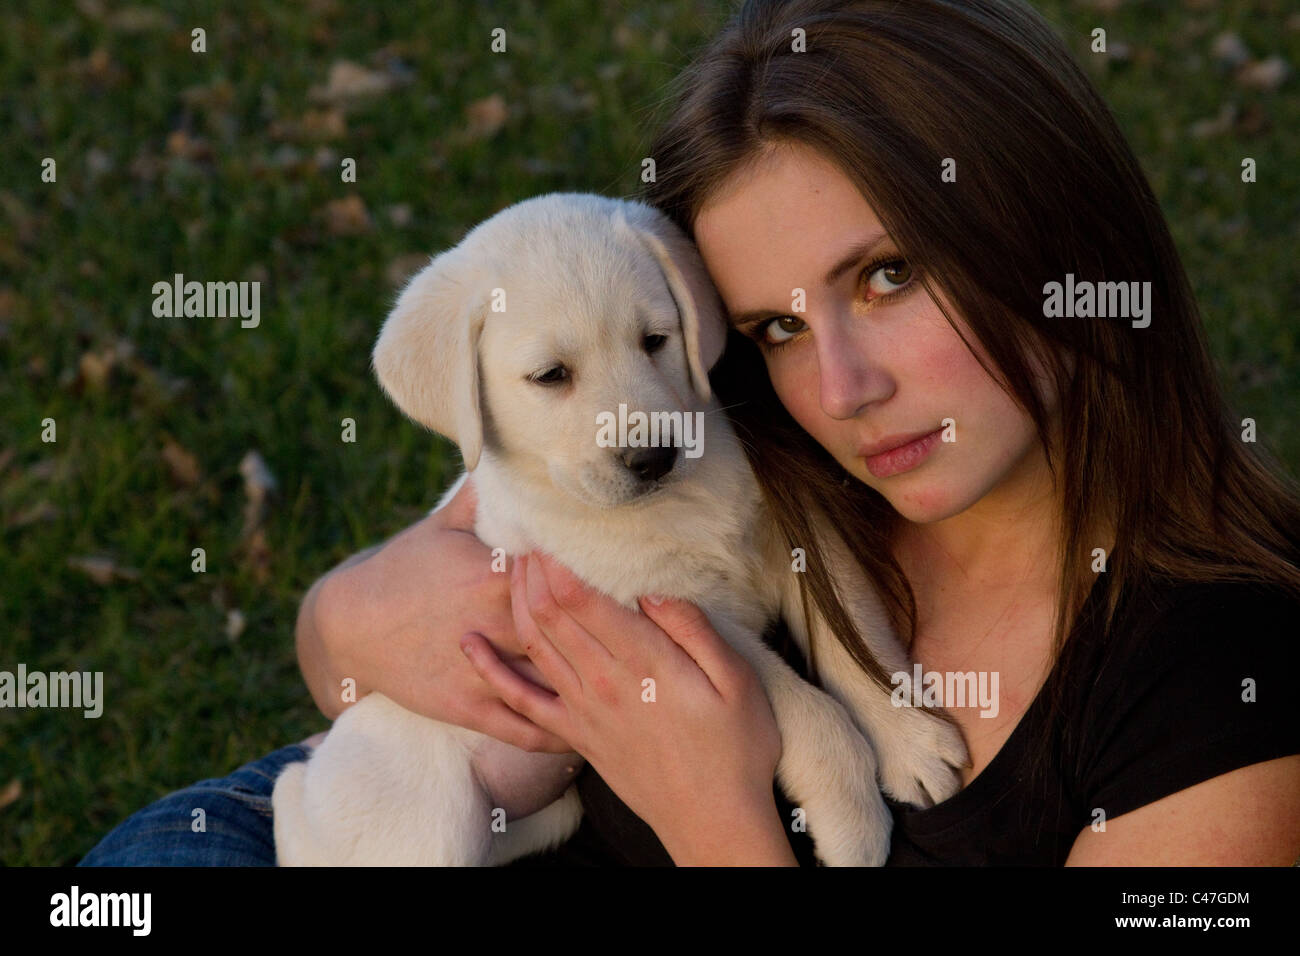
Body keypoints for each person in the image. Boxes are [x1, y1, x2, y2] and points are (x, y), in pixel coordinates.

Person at [80, 0, 1300, 867]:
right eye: (772, 320)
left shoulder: (1217, 698)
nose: (839, 384)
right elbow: (358, 633)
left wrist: (718, 819)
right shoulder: (724, 413)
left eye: (887, 276)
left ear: (1052, 223)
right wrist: (342, 614)